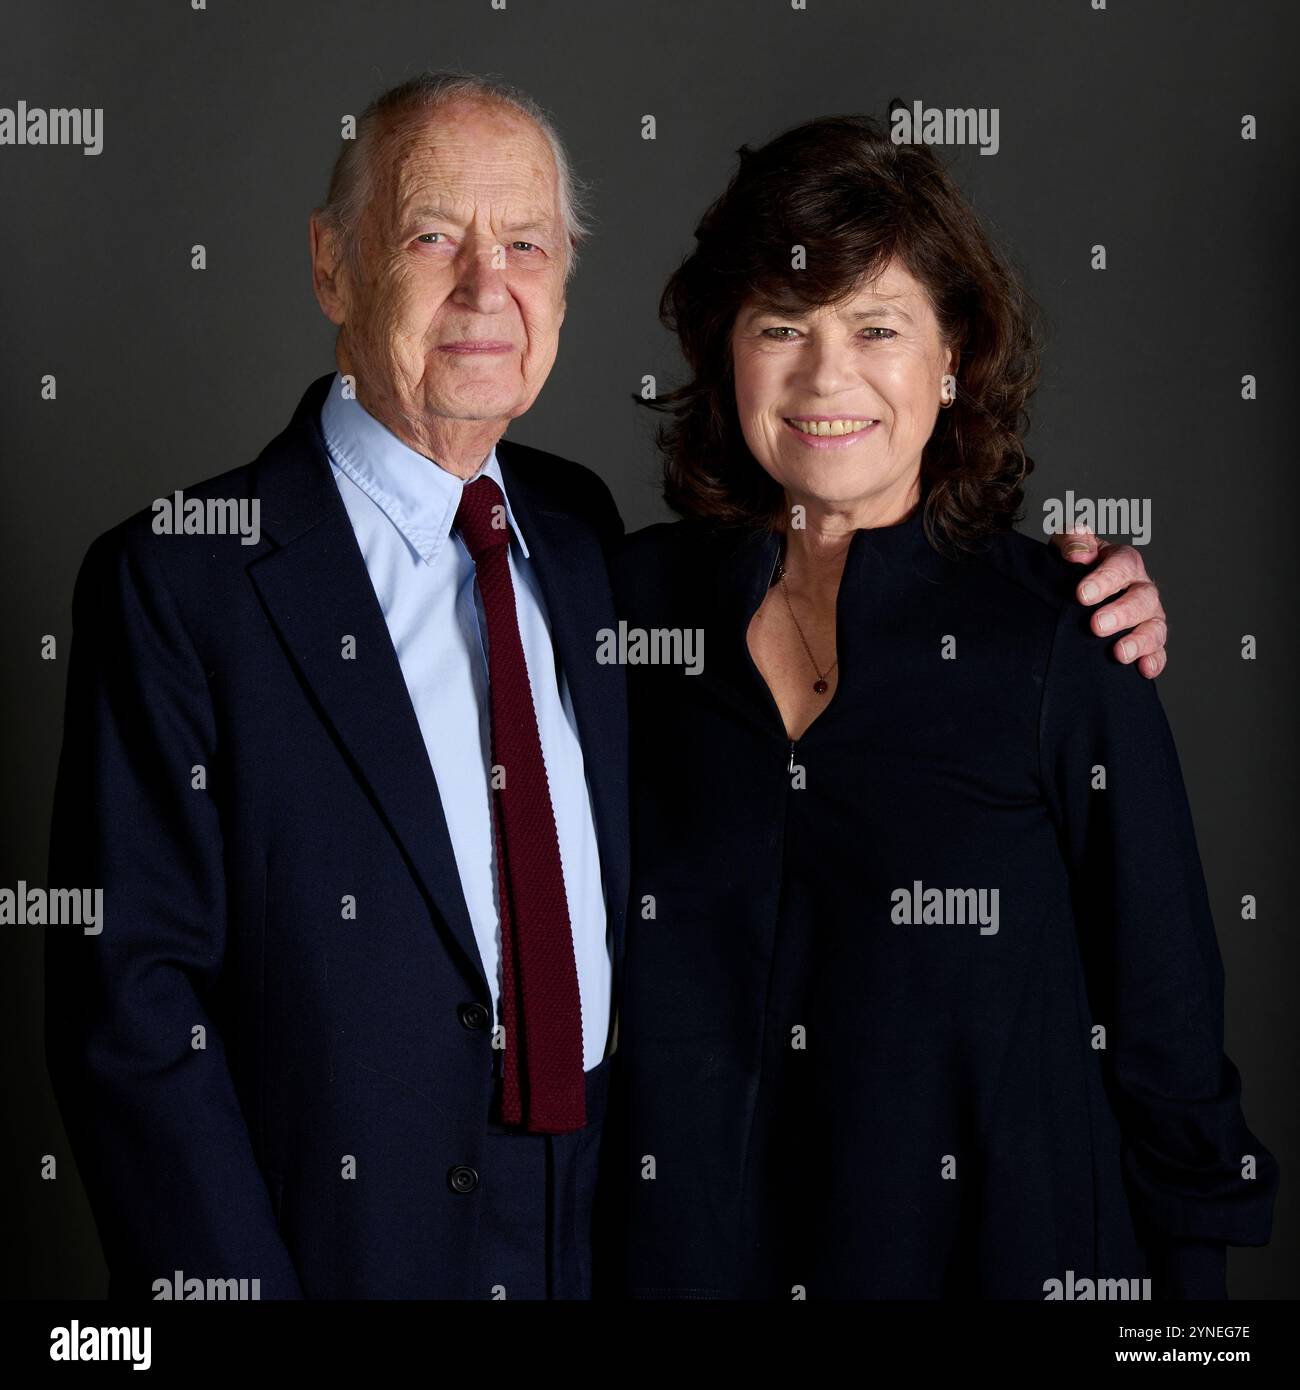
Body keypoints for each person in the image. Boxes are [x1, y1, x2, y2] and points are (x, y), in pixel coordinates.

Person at [44, 73, 1166, 1302]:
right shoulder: (183, 577)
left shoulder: (586, 546)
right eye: (431, 236)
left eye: (525, 244)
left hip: (607, 1238)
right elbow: (131, 1019)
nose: (487, 287)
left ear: (564, 283)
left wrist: (1080, 589)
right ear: (332, 266)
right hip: (345, 1242)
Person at [609, 113, 1277, 1300]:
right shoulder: (618, 609)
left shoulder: (1064, 636)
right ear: (723, 354)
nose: (828, 378)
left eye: (877, 326)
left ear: (952, 354)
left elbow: (1165, 1021)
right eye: (780, 327)